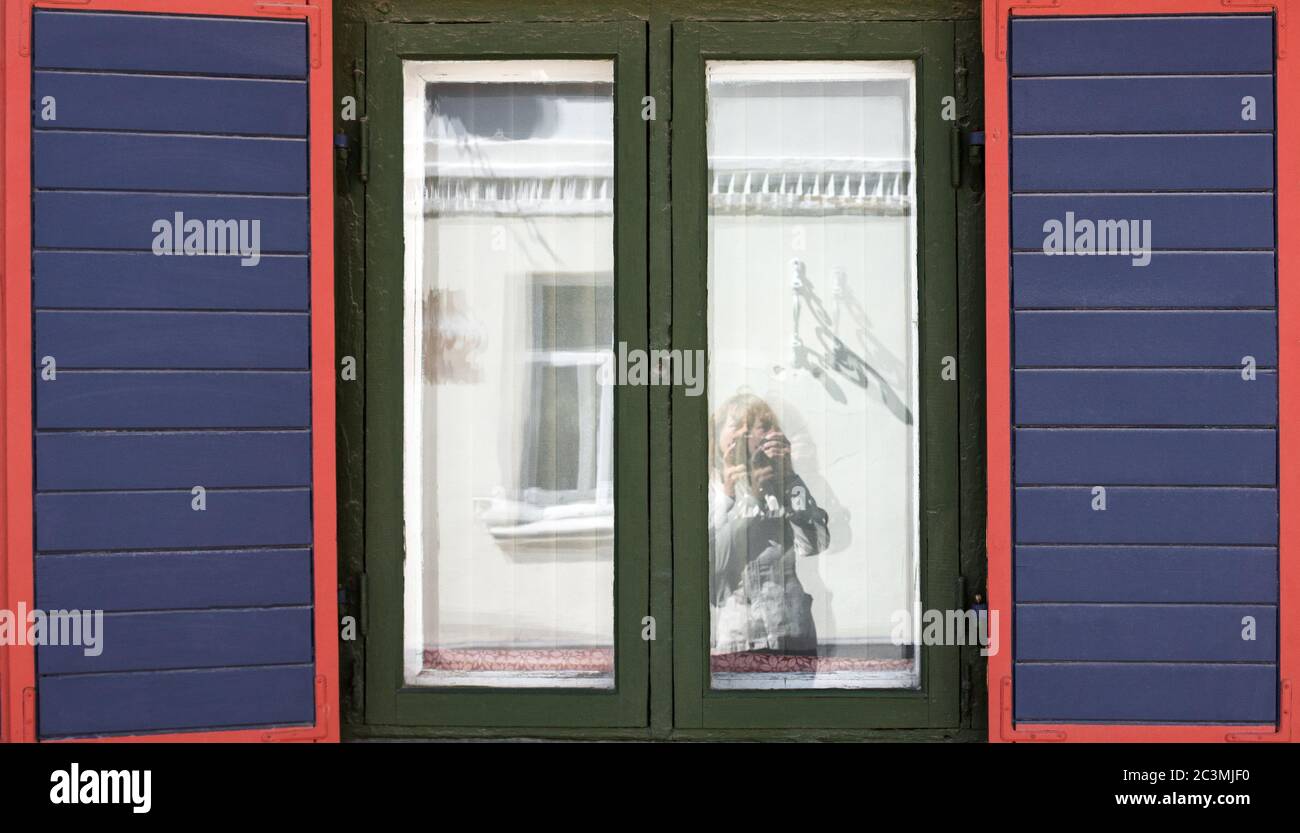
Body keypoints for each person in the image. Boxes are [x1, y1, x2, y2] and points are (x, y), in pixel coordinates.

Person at [708, 393, 830, 664]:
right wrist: (737, 496)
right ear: (716, 437)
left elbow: (815, 545)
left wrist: (788, 477)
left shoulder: (783, 482)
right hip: (739, 637)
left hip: (792, 632)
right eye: (735, 425)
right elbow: (709, 568)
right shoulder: (710, 489)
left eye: (757, 428)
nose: (745, 435)